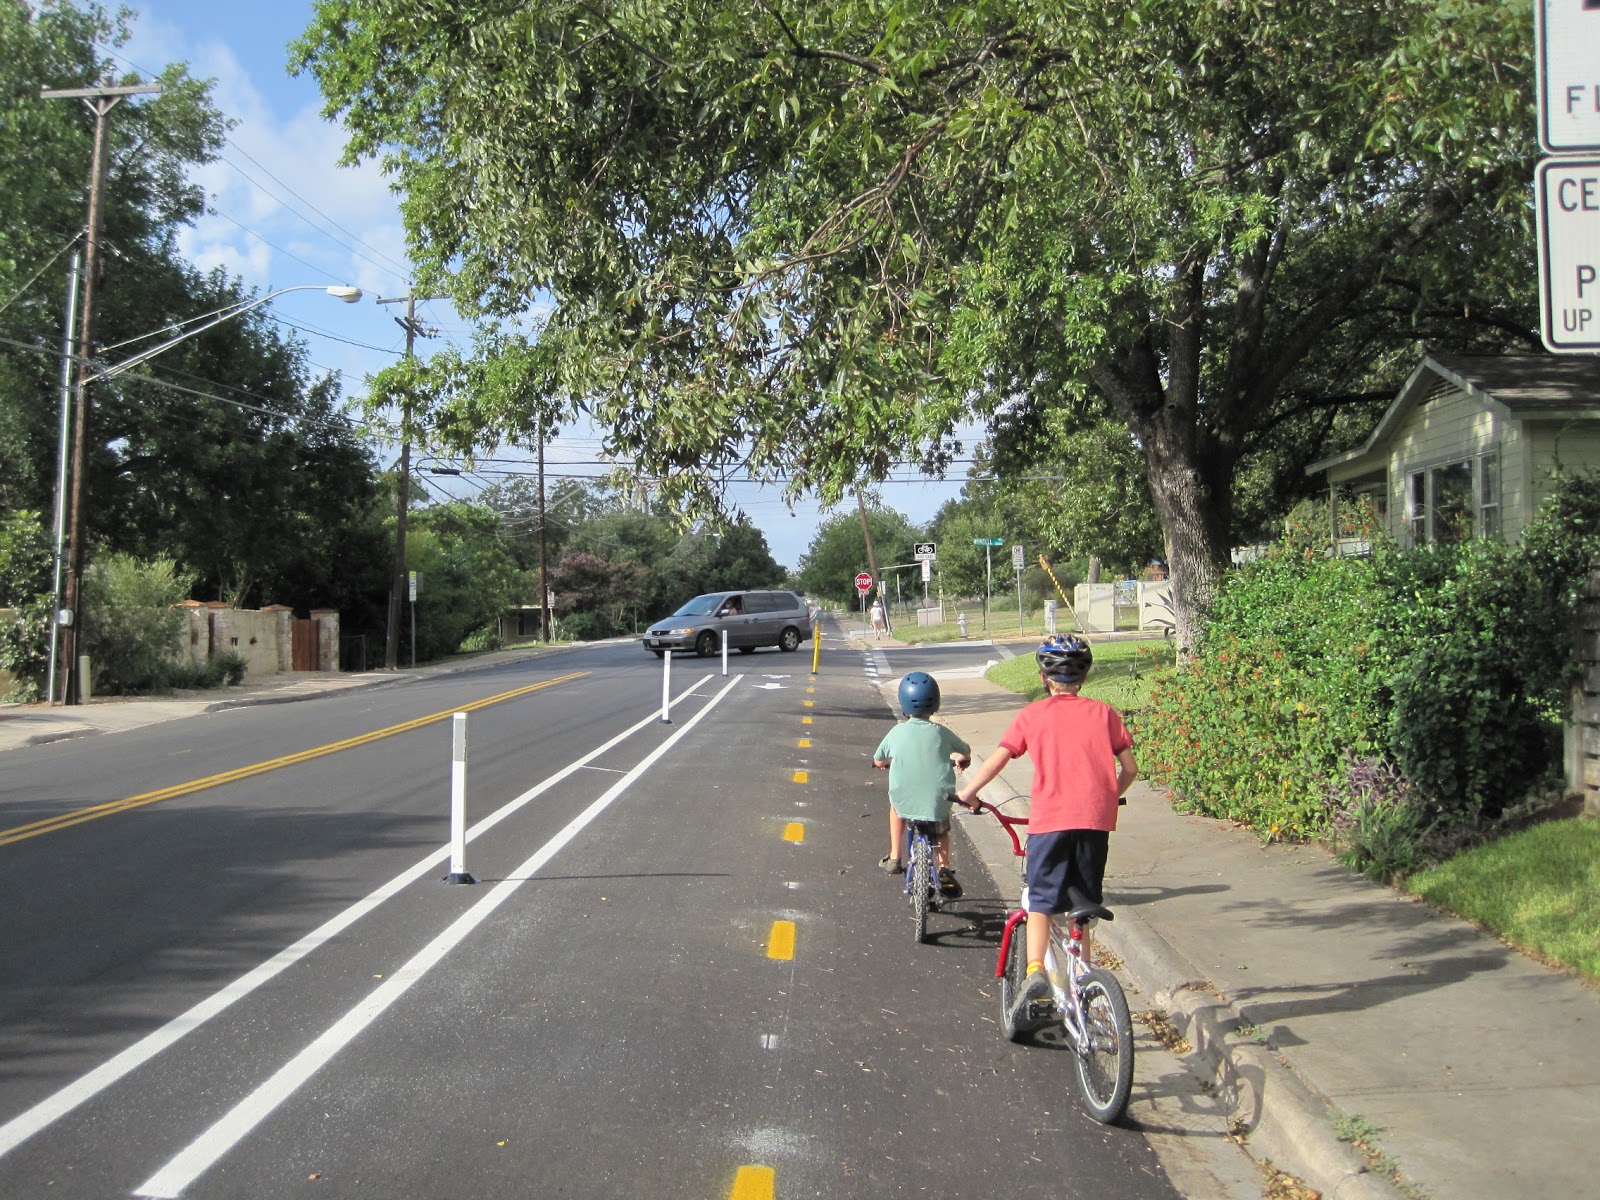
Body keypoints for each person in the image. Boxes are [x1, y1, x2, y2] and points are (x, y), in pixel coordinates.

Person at [956, 636, 1138, 1019]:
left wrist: (968, 793)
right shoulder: (1104, 713)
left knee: (1039, 902)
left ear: (1043, 677)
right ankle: (1083, 981)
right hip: (1095, 825)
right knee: (1081, 907)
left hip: (1050, 824)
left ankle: (1035, 971)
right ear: (1085, 677)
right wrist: (1107, 796)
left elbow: (999, 759)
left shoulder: (1032, 715)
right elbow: (1130, 769)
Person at [873, 671, 972, 898]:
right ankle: (944, 867)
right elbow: (965, 750)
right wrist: (961, 758)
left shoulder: (897, 732)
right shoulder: (942, 733)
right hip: (937, 801)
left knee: (896, 808)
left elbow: (878, 760)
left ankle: (895, 857)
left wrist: (884, 763)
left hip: (904, 797)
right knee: (941, 830)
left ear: (903, 702)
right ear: (935, 702)